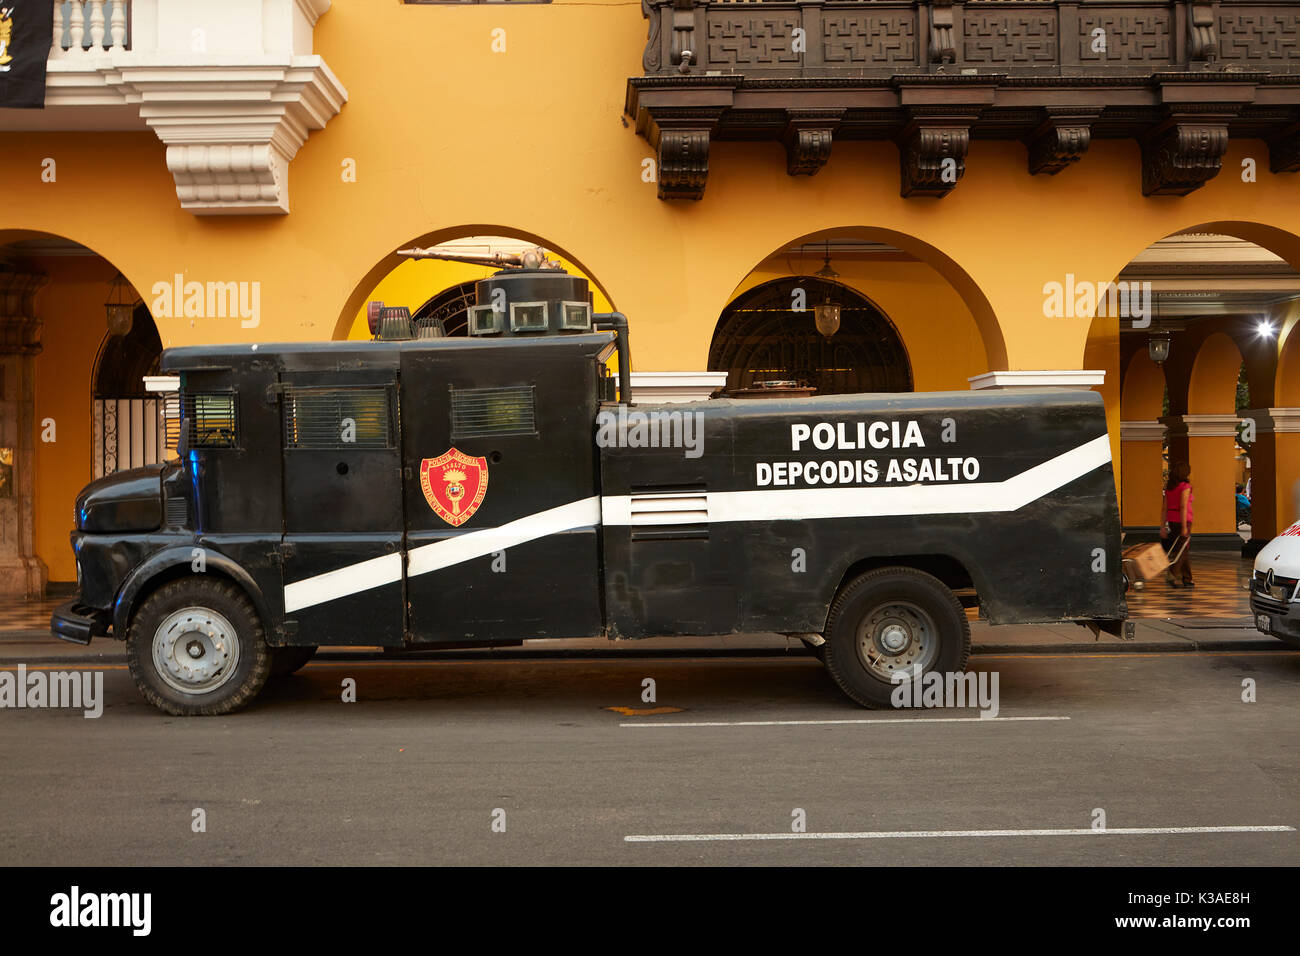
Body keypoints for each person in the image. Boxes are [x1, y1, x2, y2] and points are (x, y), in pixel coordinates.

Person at [1161, 462, 1194, 588]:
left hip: (1172, 520)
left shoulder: (1169, 488)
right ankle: (1172, 573)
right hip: (1183, 521)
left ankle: (1187, 578)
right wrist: (1185, 526)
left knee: (1182, 549)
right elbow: (1183, 506)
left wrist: (1162, 526)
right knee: (1182, 550)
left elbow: (1164, 508)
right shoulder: (1185, 486)